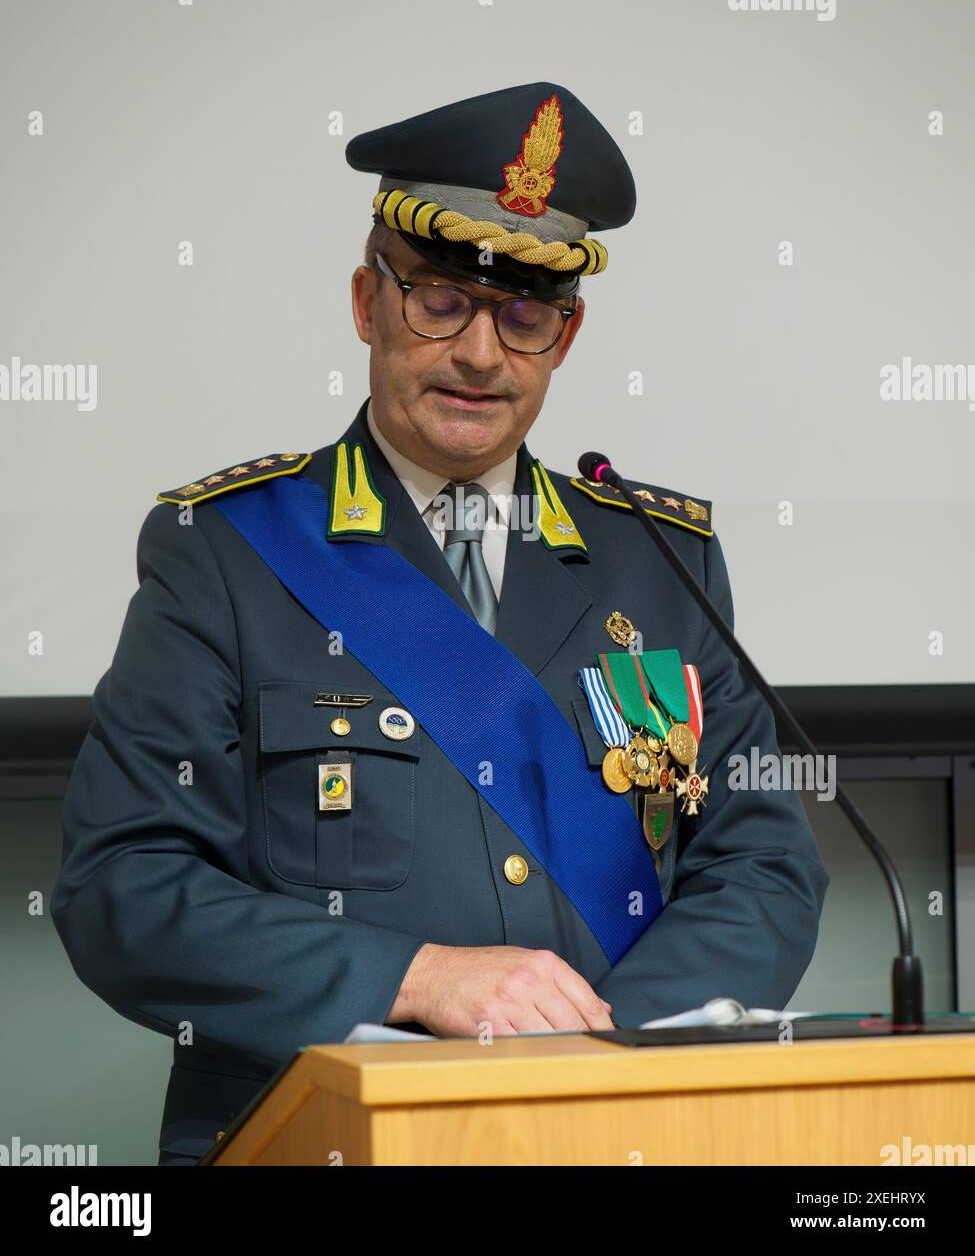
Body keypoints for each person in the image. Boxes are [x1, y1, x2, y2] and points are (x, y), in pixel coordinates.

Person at [52, 82, 828, 1165]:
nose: (479, 354)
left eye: (524, 314)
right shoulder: (225, 550)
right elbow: (122, 885)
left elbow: (764, 868)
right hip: (324, 1141)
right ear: (368, 302)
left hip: (611, 1142)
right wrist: (416, 976)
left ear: (568, 333)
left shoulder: (661, 560)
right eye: (442, 301)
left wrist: (599, 1064)